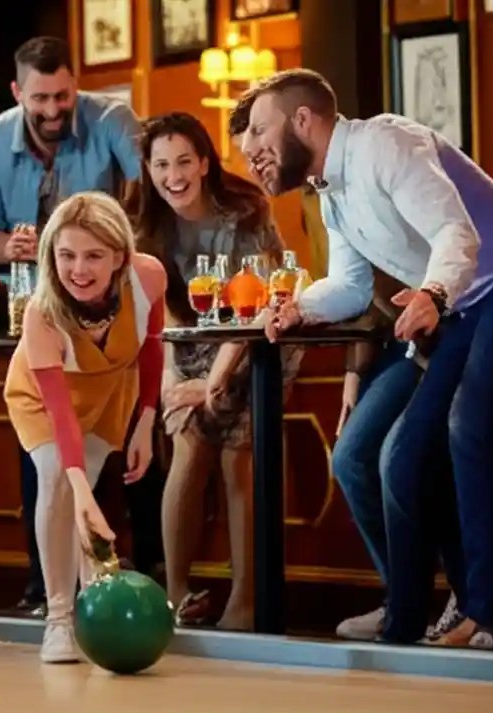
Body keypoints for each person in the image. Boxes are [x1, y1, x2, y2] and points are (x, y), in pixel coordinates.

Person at [235, 69, 493, 649]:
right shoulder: (331, 190)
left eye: (261, 137)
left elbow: (454, 232)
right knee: (404, 457)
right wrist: (297, 307)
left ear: (303, 121)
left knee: (468, 427)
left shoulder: (384, 144)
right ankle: (448, 613)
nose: (254, 158)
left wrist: (432, 294)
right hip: (467, 306)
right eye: (247, 151)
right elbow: (347, 285)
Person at [0, 36, 153, 613]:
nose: (53, 110)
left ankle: (103, 590)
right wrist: (14, 246)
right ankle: (50, 598)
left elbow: (149, 181)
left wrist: (107, 244)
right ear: (19, 91)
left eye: (64, 96)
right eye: (40, 98)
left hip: (112, 309)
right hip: (35, 300)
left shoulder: (111, 119)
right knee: (51, 464)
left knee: (97, 470)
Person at [128, 111, 302, 631]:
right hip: (187, 347)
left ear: (204, 162)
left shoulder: (246, 211)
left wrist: (214, 383)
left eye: (184, 160)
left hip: (258, 342)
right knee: (186, 439)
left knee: (236, 460)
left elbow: (252, 311)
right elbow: (155, 318)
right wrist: (170, 389)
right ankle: (175, 595)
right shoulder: (143, 223)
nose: (173, 175)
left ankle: (245, 604)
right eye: (161, 164)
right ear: (149, 169)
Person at [2, 191, 166, 662]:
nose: (79, 269)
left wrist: (145, 422)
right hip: (43, 400)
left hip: (112, 390)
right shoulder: (42, 314)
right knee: (59, 481)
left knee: (84, 495)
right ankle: (57, 620)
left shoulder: (148, 276)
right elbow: (59, 414)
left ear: (119, 256)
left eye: (94, 255)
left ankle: (93, 609)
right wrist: (80, 487)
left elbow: (152, 346)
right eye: (66, 255)